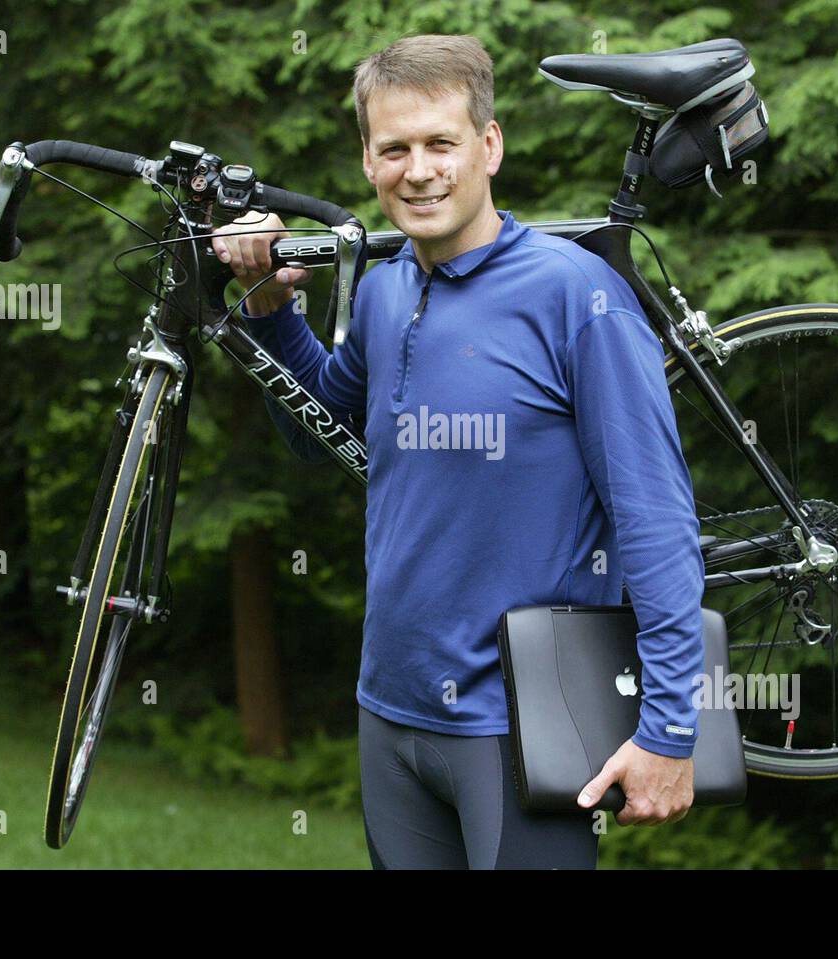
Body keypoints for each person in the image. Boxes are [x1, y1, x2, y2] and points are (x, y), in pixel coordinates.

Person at [212, 33, 704, 869]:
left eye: (441, 142)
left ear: (489, 145)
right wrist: (268, 309)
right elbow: (315, 430)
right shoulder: (384, 287)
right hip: (390, 715)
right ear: (367, 163)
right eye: (394, 148)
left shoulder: (576, 295)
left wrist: (669, 726)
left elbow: (657, 520)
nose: (419, 169)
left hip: (520, 727)